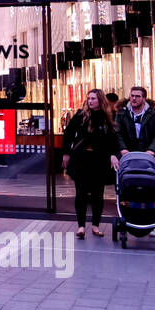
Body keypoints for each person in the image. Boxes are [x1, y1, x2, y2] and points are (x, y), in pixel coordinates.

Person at [61, 88, 120, 239]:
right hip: (81, 159)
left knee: (97, 195)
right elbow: (68, 133)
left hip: (99, 160)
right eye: (89, 98)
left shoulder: (107, 117)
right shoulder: (81, 115)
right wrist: (66, 153)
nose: (90, 101)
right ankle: (81, 226)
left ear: (100, 100)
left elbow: (113, 139)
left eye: (93, 98)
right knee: (80, 194)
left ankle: (95, 225)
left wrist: (114, 154)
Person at [115, 85, 155, 156]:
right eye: (132, 96)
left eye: (137, 96)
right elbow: (117, 133)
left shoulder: (152, 114)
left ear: (144, 99)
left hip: (147, 153)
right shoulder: (122, 114)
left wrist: (152, 150)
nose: (134, 98)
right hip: (126, 154)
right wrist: (123, 148)